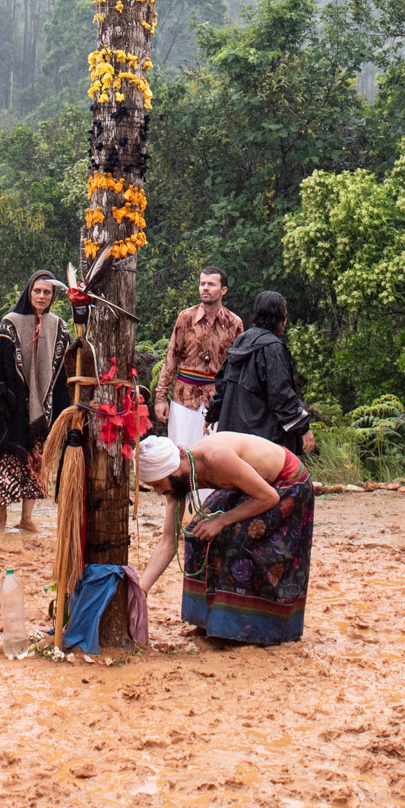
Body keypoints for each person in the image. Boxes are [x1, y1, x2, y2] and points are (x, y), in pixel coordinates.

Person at [131, 428, 312, 644]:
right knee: (197, 532)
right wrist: (141, 590)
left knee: (236, 537)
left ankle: (244, 629)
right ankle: (210, 622)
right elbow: (168, 542)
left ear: (173, 470)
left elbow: (268, 497)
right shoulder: (176, 482)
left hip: (285, 484)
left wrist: (221, 521)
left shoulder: (215, 457)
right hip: (250, 487)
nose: (159, 492)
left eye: (159, 485)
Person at [0, 271, 76, 533]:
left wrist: (60, 407)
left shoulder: (59, 327)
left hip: (42, 406)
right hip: (12, 403)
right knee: (7, 460)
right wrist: (3, 398)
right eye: (37, 291)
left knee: (36, 462)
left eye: (47, 292)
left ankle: (27, 517)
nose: (42, 296)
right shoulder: (10, 323)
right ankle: (1, 518)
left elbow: (61, 370)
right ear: (28, 292)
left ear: (53, 296)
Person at [207, 290, 315, 457]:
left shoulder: (242, 341)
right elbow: (280, 395)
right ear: (281, 316)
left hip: (233, 435)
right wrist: (302, 428)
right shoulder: (272, 348)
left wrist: (213, 414)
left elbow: (222, 383)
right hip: (261, 439)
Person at [152, 266, 240, 453]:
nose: (205, 288)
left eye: (211, 284)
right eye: (202, 284)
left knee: (214, 456)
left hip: (216, 400)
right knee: (180, 454)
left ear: (223, 290)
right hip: (184, 398)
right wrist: (160, 398)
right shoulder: (186, 318)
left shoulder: (234, 324)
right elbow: (171, 358)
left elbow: (237, 369)